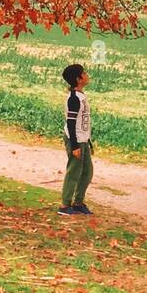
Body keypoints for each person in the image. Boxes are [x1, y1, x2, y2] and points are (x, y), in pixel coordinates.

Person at [58, 62, 94, 215]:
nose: (87, 76)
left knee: (87, 172)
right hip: (76, 139)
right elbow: (71, 123)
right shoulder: (74, 99)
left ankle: (78, 202)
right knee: (74, 171)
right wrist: (75, 146)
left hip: (83, 139)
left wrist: (88, 142)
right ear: (79, 79)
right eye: (84, 73)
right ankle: (65, 206)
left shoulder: (81, 96)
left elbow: (83, 121)